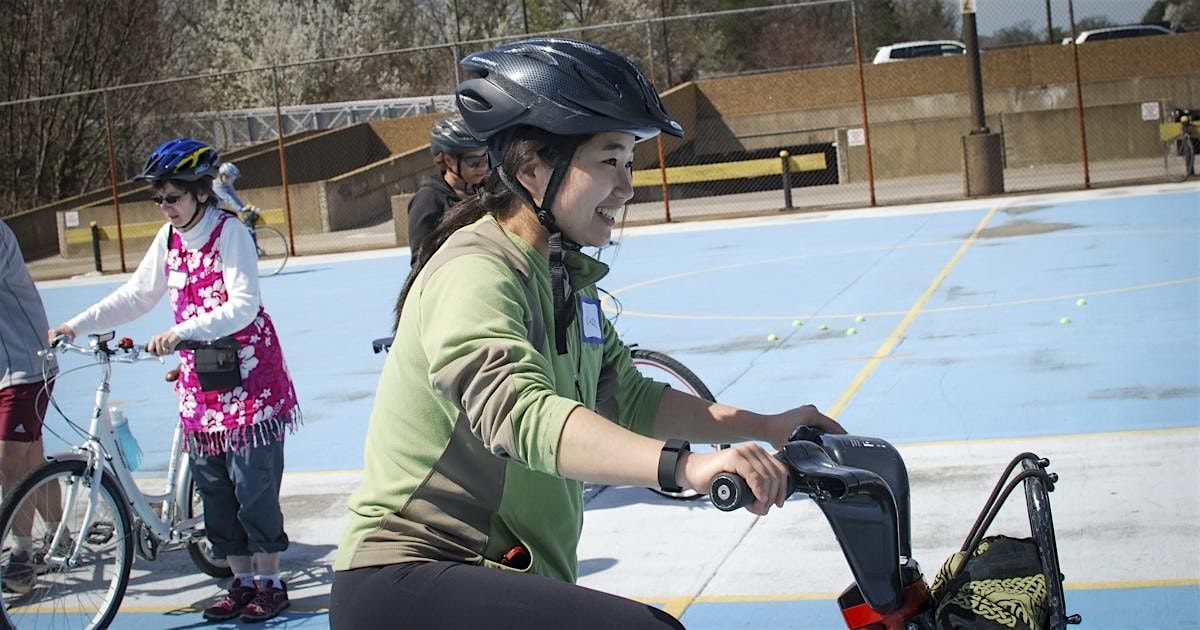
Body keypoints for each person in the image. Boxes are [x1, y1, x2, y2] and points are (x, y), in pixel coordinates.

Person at [330, 38, 844, 629]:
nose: (626, 188)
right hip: (415, 577)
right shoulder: (475, 268)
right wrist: (687, 467)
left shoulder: (566, 278)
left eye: (629, 164)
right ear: (530, 169)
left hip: (499, 574)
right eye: (608, 162)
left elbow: (626, 397)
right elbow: (517, 413)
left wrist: (768, 425)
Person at [46, 137, 301, 623]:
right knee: (216, 492)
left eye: (173, 197)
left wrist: (180, 331)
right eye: (158, 199)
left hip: (249, 384)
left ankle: (271, 581)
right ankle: (240, 582)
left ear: (201, 192)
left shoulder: (230, 234)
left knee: (254, 488)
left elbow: (243, 304)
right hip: (201, 385)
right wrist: (75, 324)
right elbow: (137, 295)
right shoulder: (168, 239)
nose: (165, 207)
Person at [0, 219, 62, 595]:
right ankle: (60, 534)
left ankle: (21, 557)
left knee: (10, 464)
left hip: (24, 366)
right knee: (30, 460)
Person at [405, 115, 489, 264]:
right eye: (473, 161)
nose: (482, 167)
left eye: (485, 158)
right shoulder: (428, 200)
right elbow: (420, 260)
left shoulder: (487, 190)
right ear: (449, 160)